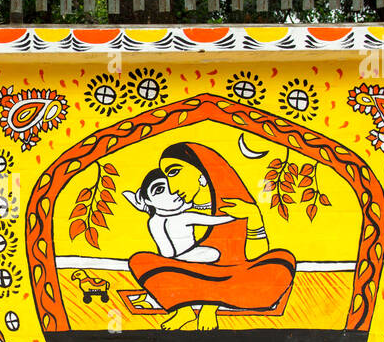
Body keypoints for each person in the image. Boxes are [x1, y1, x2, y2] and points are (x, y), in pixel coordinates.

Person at [127, 142, 296, 331]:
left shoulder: (234, 203)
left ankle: (208, 306)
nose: (172, 188)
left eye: (173, 172)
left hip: (233, 276)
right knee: (140, 261)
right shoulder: (177, 212)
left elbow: (254, 257)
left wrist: (254, 217)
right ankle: (185, 311)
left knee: (283, 261)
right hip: (191, 275)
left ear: (201, 171)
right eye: (166, 179)